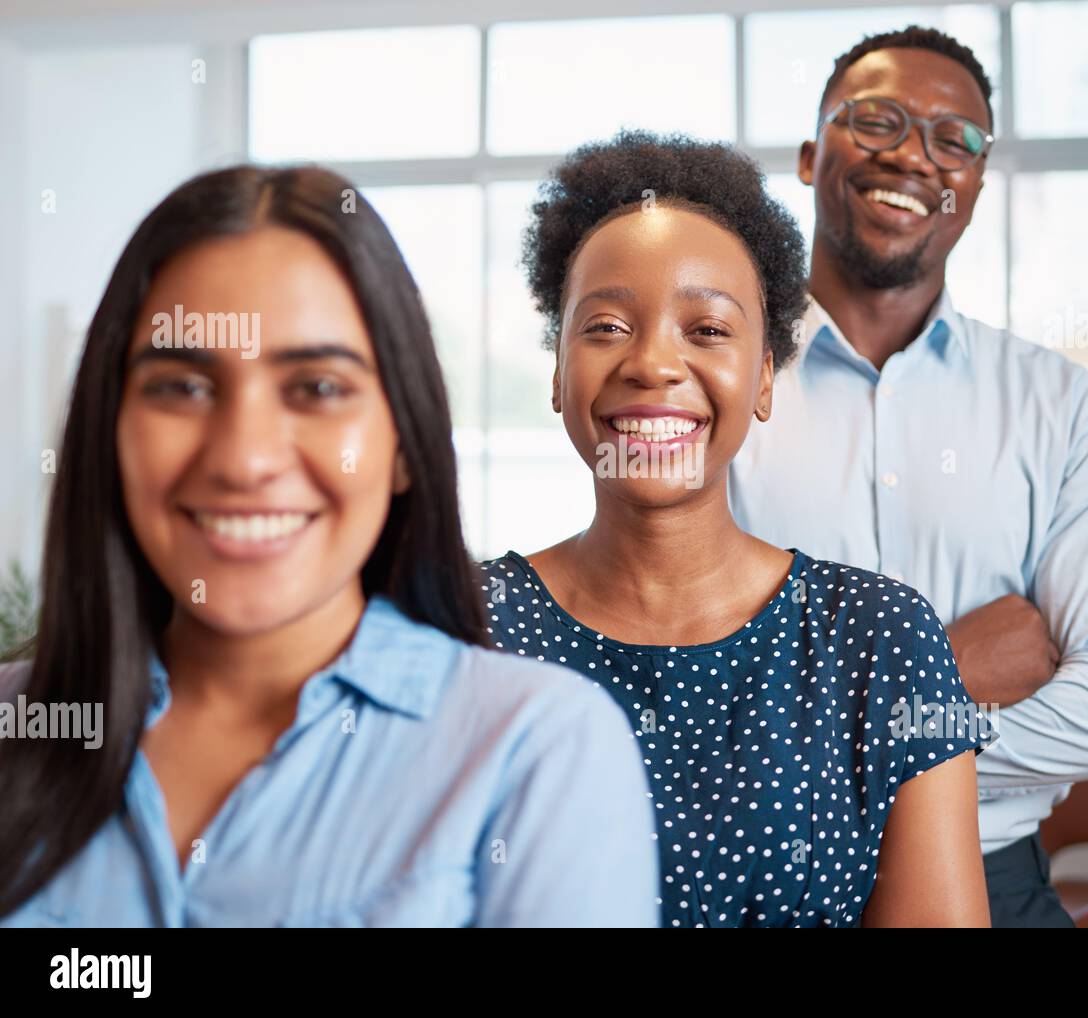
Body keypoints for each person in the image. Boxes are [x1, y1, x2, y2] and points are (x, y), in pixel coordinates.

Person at [0, 164, 658, 928]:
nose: (244, 459)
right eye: (181, 386)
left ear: (404, 445)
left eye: (317, 388)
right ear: (111, 430)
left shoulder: (535, 751)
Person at [480, 130, 996, 928]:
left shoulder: (879, 639)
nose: (653, 363)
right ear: (557, 373)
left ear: (762, 378)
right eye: (607, 326)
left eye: (708, 330)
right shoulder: (463, 629)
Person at [729, 25, 1088, 928]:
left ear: (974, 183)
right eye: (878, 120)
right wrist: (949, 675)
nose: (914, 154)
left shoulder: (1059, 407)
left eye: (954, 139)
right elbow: (679, 694)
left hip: (996, 882)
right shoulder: (719, 388)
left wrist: (855, 725)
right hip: (767, 881)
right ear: (814, 154)